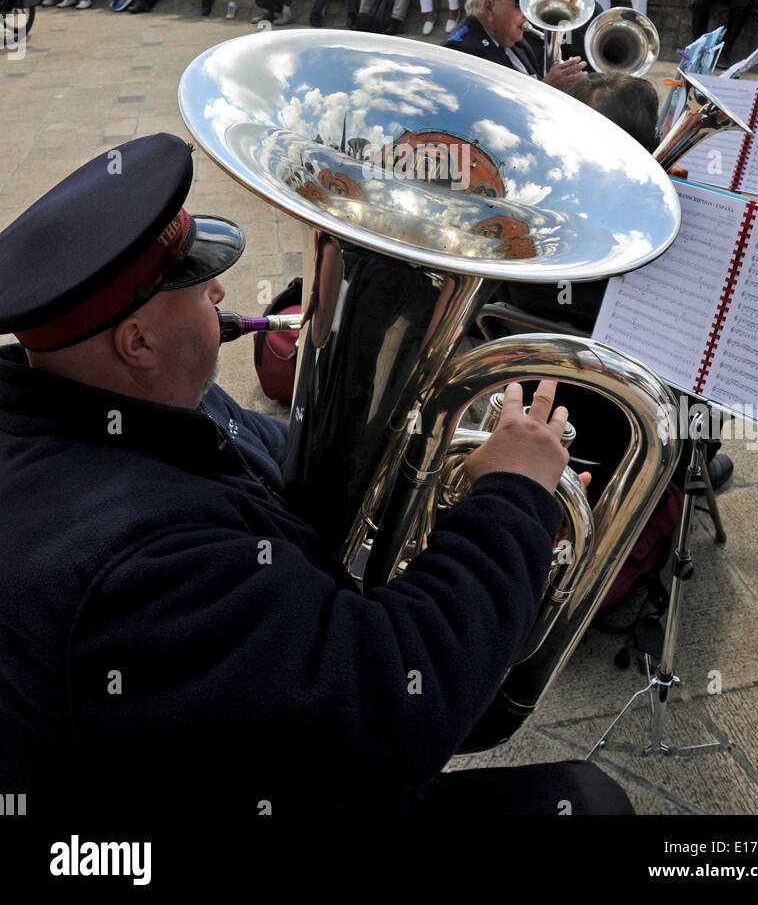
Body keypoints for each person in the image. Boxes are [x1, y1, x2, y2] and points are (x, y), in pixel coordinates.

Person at [0, 133, 632, 824]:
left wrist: (406, 440)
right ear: (138, 343)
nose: (218, 288)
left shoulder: (103, 398)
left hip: (194, 745)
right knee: (590, 802)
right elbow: (394, 706)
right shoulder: (139, 566)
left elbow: (248, 452)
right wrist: (511, 498)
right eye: (194, 280)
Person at [441, 0, 588, 94]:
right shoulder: (461, 50)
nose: (527, 14)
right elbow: (489, 113)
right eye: (519, 5)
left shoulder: (513, 40)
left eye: (528, 4)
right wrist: (548, 88)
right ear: (489, 7)